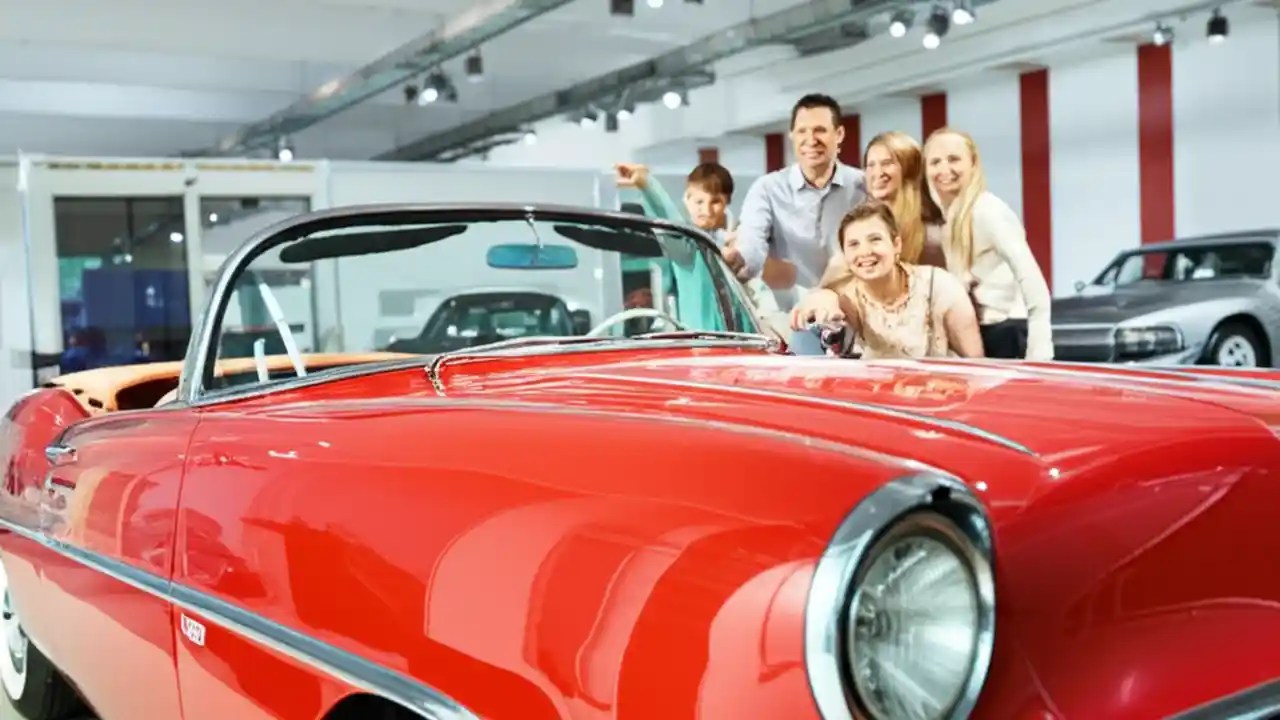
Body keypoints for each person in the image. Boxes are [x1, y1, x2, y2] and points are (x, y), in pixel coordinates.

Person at [723, 94, 868, 326]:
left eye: (820, 130)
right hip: (792, 319)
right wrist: (740, 259)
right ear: (791, 135)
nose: (811, 140)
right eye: (802, 131)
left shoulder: (863, 186)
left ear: (839, 134)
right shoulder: (767, 189)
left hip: (856, 314)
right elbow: (752, 240)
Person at [790, 200, 984, 359]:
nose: (865, 252)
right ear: (845, 255)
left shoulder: (941, 287)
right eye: (854, 244)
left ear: (896, 244)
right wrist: (821, 297)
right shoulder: (846, 302)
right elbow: (820, 302)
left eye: (875, 239)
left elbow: (978, 366)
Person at [922, 127, 1053, 360]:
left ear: (973, 163)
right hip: (980, 331)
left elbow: (1030, 276)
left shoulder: (988, 210)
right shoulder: (951, 215)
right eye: (935, 162)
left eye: (953, 159)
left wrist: (1040, 345)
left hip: (1005, 330)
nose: (944, 169)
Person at [819, 131, 945, 291]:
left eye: (887, 163)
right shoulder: (857, 227)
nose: (877, 173)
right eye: (871, 165)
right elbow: (828, 286)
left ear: (909, 169)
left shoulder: (932, 236)